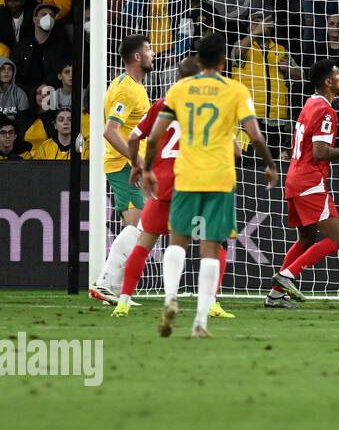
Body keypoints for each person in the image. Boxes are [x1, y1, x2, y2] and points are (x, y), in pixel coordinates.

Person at [142, 33, 277, 339]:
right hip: (219, 178)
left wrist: (147, 168)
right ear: (223, 61)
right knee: (210, 248)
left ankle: (170, 299)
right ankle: (201, 321)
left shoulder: (180, 89)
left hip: (186, 174)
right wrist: (270, 164)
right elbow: (255, 136)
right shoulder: (235, 90)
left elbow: (153, 136)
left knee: (177, 241)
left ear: (199, 60)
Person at [117, 54, 234, 319]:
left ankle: (123, 300)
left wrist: (138, 166)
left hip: (160, 185)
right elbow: (233, 148)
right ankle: (211, 302)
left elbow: (134, 136)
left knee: (144, 244)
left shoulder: (160, 104)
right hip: (193, 185)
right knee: (215, 243)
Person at [263, 60, 339, 307]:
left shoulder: (310, 103)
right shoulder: (326, 110)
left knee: (305, 238)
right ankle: (286, 276)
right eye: (337, 73)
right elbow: (320, 152)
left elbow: (314, 149)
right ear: (328, 81)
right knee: (335, 239)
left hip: (295, 177)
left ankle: (274, 296)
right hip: (310, 181)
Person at [88, 34, 153, 309]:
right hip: (124, 167)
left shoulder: (130, 85)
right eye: (148, 49)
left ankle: (110, 288)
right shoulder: (127, 90)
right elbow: (110, 131)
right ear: (137, 57)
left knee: (137, 226)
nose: (153, 53)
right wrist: (137, 161)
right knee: (138, 226)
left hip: (127, 165)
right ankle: (105, 283)